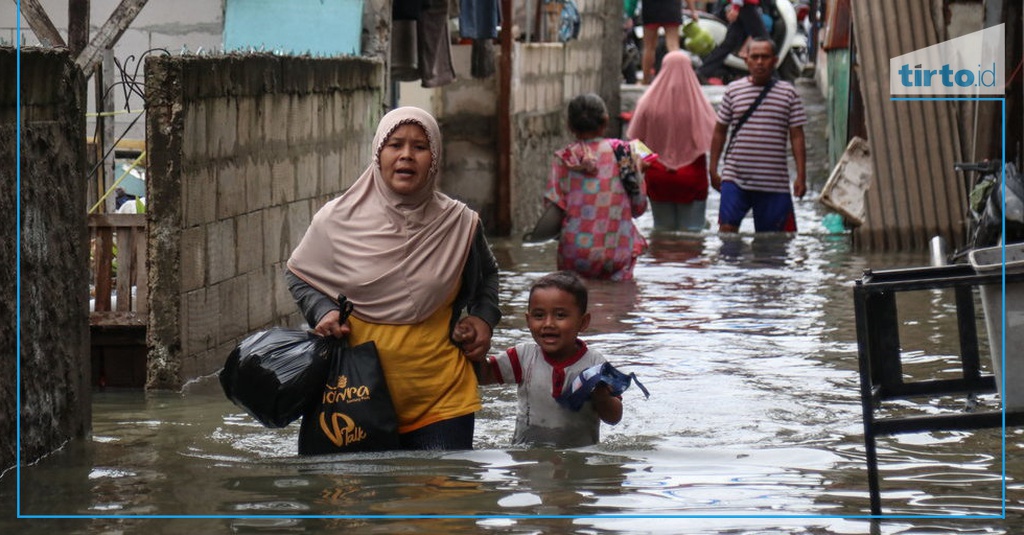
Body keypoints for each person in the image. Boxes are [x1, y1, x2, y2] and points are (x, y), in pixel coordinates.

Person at [285, 106, 501, 451]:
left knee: (444, 486)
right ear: (378, 153)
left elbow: (487, 276)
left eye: (420, 147)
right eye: (395, 144)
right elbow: (300, 275)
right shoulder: (335, 221)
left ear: (435, 157)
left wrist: (483, 318)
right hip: (354, 399)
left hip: (441, 400)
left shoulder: (460, 224)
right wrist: (323, 311)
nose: (406, 155)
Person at [474, 271, 623, 448]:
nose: (548, 324)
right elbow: (482, 376)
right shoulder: (522, 357)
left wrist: (602, 396)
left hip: (579, 456)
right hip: (527, 456)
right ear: (528, 320)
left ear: (583, 322)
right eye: (539, 315)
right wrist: (477, 350)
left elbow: (614, 418)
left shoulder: (596, 364)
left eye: (560, 315)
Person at [546, 93, 648, 281]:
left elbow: (552, 211)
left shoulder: (563, 158)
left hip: (574, 252)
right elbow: (639, 207)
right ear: (606, 121)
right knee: (619, 297)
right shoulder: (623, 152)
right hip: (616, 249)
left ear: (569, 125)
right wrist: (640, 173)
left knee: (575, 296)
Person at [709, 38, 807, 233]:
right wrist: (713, 169)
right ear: (747, 61)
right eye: (755, 57)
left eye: (765, 57)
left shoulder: (788, 93)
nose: (760, 62)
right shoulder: (733, 91)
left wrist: (801, 176)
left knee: (773, 241)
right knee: (727, 234)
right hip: (735, 177)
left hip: (773, 182)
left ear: (775, 60)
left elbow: (797, 136)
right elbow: (720, 131)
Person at [627, 51, 716, 232]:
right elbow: (714, 138)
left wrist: (653, 161)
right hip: (691, 175)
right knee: (693, 232)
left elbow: (634, 142)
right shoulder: (698, 103)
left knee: (662, 231)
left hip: (658, 175)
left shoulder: (647, 102)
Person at [696, 0, 769, 84]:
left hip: (742, 6)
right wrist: (735, 7)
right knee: (764, 41)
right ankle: (772, 76)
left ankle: (702, 72)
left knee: (729, 43)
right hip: (745, 5)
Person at [639, 0, 699, 84]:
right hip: (672, 6)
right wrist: (693, 11)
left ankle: (646, 80)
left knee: (649, 47)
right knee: (673, 46)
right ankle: (676, 79)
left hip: (650, 7)